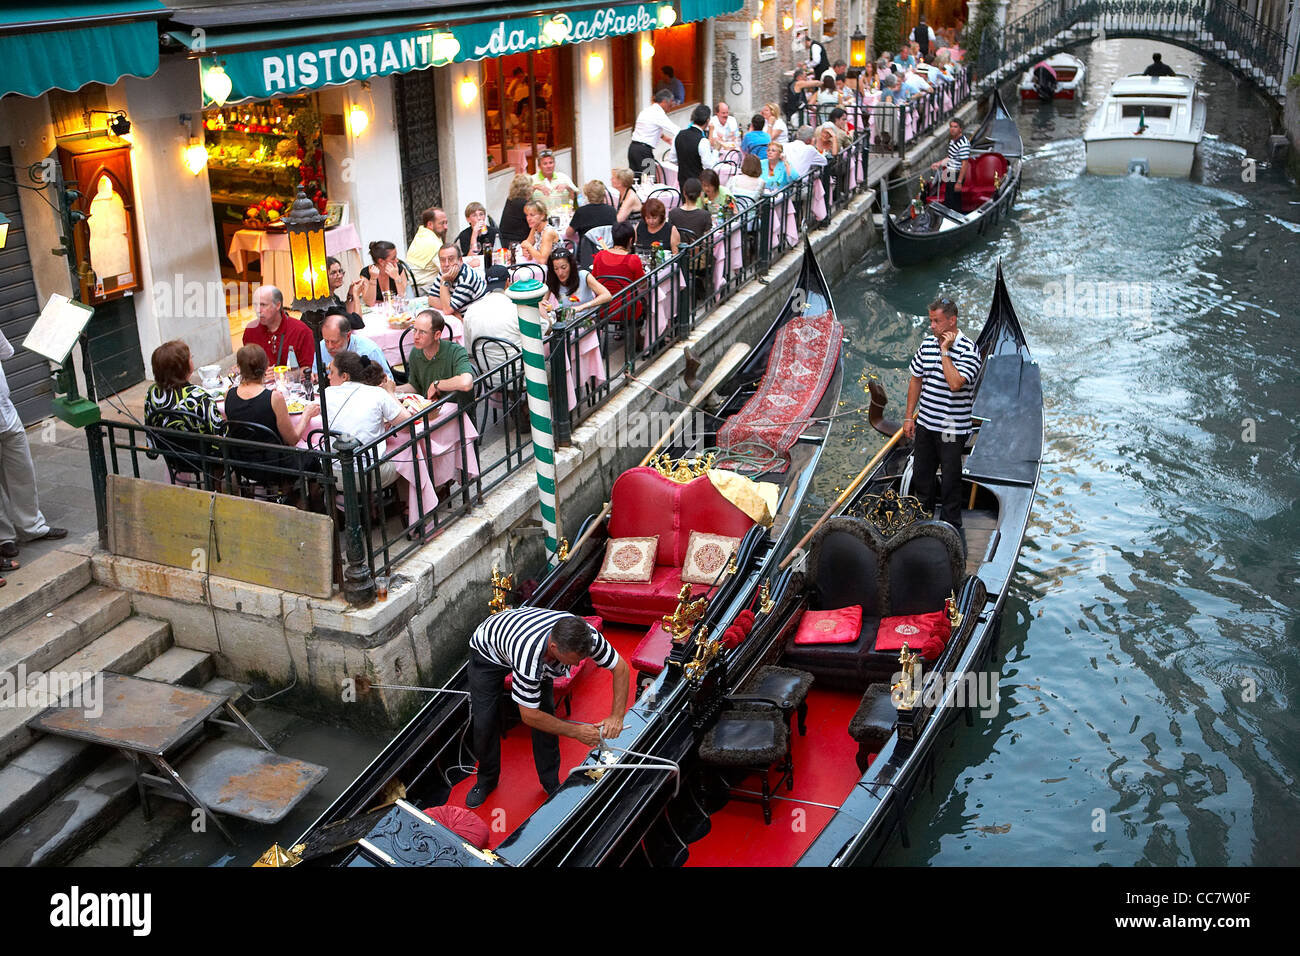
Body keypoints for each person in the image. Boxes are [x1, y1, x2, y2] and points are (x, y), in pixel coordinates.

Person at [465, 607, 629, 807]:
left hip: (529, 646)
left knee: (547, 716)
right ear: (554, 647)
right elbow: (529, 716)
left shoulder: (586, 637)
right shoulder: (528, 656)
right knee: (484, 721)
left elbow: (620, 667)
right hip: (488, 651)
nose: (580, 663)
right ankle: (486, 781)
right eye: (576, 659)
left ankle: (550, 782)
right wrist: (576, 732)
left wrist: (616, 717)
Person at [902, 297, 982, 535]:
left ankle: (951, 526)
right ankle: (921, 522)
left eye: (937, 321)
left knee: (950, 479)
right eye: (931, 321)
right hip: (926, 423)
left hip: (952, 427)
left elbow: (955, 383)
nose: (932, 326)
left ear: (952, 320)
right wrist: (909, 417)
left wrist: (945, 352)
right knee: (922, 475)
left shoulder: (969, 350)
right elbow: (916, 379)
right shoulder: (926, 345)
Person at [0, 328, 67, 576]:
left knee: (22, 471)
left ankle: (32, 527)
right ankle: (4, 537)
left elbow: (6, 352)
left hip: (5, 412)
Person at [322, 351, 412, 480]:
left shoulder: (326, 393)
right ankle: (410, 498)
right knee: (408, 454)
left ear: (345, 376)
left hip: (332, 474)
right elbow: (407, 425)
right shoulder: (377, 393)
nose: (329, 377)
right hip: (369, 475)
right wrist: (390, 392)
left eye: (331, 372)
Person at [224, 343, 317, 449]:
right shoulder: (274, 398)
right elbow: (292, 440)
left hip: (238, 460)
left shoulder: (228, 394)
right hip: (272, 462)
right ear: (266, 367)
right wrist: (306, 415)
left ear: (239, 368)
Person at [464, 265, 549, 359]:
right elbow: (546, 329)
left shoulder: (471, 311)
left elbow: (469, 351)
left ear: (487, 283)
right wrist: (536, 301)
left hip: (486, 371)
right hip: (518, 369)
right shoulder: (518, 308)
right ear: (508, 282)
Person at [399, 309, 475, 410]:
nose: (416, 336)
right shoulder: (415, 353)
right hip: (431, 412)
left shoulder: (455, 351)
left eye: (422, 332)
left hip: (459, 413)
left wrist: (436, 384)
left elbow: (466, 383)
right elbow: (415, 386)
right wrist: (391, 390)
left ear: (437, 335)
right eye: (415, 330)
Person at [242, 285, 315, 369]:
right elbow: (247, 364)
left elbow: (308, 370)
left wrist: (281, 374)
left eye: (263, 305)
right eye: (255, 305)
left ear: (278, 305)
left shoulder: (301, 331)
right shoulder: (251, 330)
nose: (258, 310)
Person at [541, 247, 612, 323]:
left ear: (571, 266)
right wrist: (543, 302)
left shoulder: (583, 276)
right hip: (565, 321)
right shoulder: (552, 280)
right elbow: (541, 301)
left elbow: (607, 295)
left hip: (586, 320)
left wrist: (581, 307)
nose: (560, 273)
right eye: (556, 269)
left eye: (564, 267)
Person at [318, 311, 392, 379]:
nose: (329, 346)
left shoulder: (369, 351)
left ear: (348, 336)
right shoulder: (321, 347)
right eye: (326, 341)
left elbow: (387, 382)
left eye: (334, 342)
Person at [427, 244, 487, 319]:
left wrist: (444, 281)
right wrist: (454, 311)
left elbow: (447, 310)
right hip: (458, 316)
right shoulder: (444, 272)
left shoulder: (467, 278)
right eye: (442, 260)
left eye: (451, 259)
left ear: (460, 261)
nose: (446, 264)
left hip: (475, 319)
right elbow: (431, 299)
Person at [628, 89, 679, 174]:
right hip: (644, 152)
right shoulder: (658, 113)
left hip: (633, 149)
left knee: (636, 181)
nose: (671, 107)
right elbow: (675, 130)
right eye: (670, 103)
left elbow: (648, 129)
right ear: (664, 101)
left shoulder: (646, 110)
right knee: (650, 180)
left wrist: (666, 138)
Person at [929, 118, 970, 209]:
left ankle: (955, 218)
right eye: (951, 126)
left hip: (956, 174)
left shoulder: (963, 144)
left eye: (955, 127)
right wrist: (939, 163)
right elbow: (950, 157)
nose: (952, 129)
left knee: (953, 199)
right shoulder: (952, 140)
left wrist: (959, 182)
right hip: (950, 172)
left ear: (960, 129)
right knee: (949, 198)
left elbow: (965, 164)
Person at [405, 208, 448, 291]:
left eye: (446, 222)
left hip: (415, 285)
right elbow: (446, 270)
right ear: (430, 224)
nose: (446, 227)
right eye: (442, 223)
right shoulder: (432, 243)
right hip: (424, 288)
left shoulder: (423, 233)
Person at [360, 240, 410, 306]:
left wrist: (397, 277)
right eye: (393, 258)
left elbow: (402, 296)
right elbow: (370, 303)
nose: (397, 260)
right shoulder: (366, 273)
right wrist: (373, 279)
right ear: (381, 261)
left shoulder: (398, 269)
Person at [567, 181, 617, 245]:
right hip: (607, 250)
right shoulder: (611, 211)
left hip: (587, 252)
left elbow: (569, 233)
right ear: (603, 194)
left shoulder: (581, 212)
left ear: (587, 195)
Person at [531, 150, 578, 215]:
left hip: (562, 217)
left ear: (554, 163)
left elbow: (576, 196)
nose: (549, 166)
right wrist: (535, 187)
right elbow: (524, 199)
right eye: (545, 164)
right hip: (541, 219)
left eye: (551, 162)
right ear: (539, 166)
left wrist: (568, 187)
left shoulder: (563, 177)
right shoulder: (532, 179)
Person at [325, 256, 366, 330]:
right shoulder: (326, 303)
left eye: (340, 271)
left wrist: (351, 294)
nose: (340, 276)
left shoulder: (333, 296)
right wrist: (356, 295)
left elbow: (347, 313)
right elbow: (358, 323)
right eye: (334, 273)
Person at [498, 174, 534, 248]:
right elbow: (537, 223)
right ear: (527, 188)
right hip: (517, 244)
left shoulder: (510, 200)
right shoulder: (523, 204)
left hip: (505, 240)